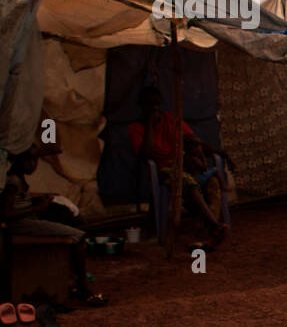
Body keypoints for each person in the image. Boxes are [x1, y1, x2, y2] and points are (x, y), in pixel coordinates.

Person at [129, 85, 231, 246]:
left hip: (185, 166)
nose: (155, 108)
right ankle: (215, 226)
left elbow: (194, 140)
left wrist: (218, 151)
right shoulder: (136, 128)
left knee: (213, 183)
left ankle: (208, 227)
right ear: (142, 106)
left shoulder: (170, 120)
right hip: (164, 170)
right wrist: (149, 124)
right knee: (187, 181)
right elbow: (146, 155)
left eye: (157, 104)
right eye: (150, 105)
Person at [1, 148, 105, 305]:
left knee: (66, 221)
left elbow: (18, 203)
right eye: (29, 160)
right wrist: (37, 208)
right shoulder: (13, 182)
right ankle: (83, 287)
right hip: (21, 225)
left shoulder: (18, 179)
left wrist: (37, 202)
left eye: (35, 161)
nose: (33, 165)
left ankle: (71, 279)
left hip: (25, 222)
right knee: (78, 235)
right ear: (18, 161)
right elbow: (6, 213)